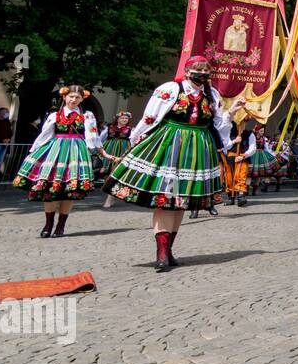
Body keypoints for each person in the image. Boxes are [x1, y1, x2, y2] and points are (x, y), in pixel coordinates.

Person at [105, 56, 241, 271]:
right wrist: (137, 137)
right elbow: (151, 116)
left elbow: (217, 124)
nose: (203, 73)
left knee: (180, 200)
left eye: (206, 70)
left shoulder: (212, 94)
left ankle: (168, 250)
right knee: (166, 198)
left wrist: (230, 117)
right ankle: (161, 251)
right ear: (187, 71)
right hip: (171, 145)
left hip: (197, 150)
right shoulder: (171, 88)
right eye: (198, 69)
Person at [13, 86, 101, 236]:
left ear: (81, 99)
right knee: (49, 190)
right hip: (55, 152)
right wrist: (34, 152)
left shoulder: (87, 116)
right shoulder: (55, 115)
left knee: (69, 192)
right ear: (65, 97)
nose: (73, 100)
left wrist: (103, 153)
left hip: (76, 153)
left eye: (77, 97)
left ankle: (61, 225)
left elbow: (93, 137)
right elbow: (45, 135)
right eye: (71, 96)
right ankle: (48, 224)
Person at [97, 111, 134, 209]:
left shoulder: (130, 130)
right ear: (117, 119)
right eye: (122, 118)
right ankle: (111, 195)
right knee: (107, 175)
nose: (125, 120)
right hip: (109, 151)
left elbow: (133, 141)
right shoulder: (108, 128)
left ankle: (109, 198)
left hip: (123, 151)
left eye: (126, 118)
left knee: (115, 174)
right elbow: (100, 139)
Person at [221, 112, 257, 207]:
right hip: (230, 156)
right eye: (238, 123)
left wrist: (244, 155)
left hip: (242, 156)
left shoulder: (250, 134)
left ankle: (241, 196)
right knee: (229, 177)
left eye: (242, 123)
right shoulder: (229, 134)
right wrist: (234, 141)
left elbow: (253, 148)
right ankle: (231, 197)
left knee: (241, 175)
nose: (240, 125)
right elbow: (224, 146)